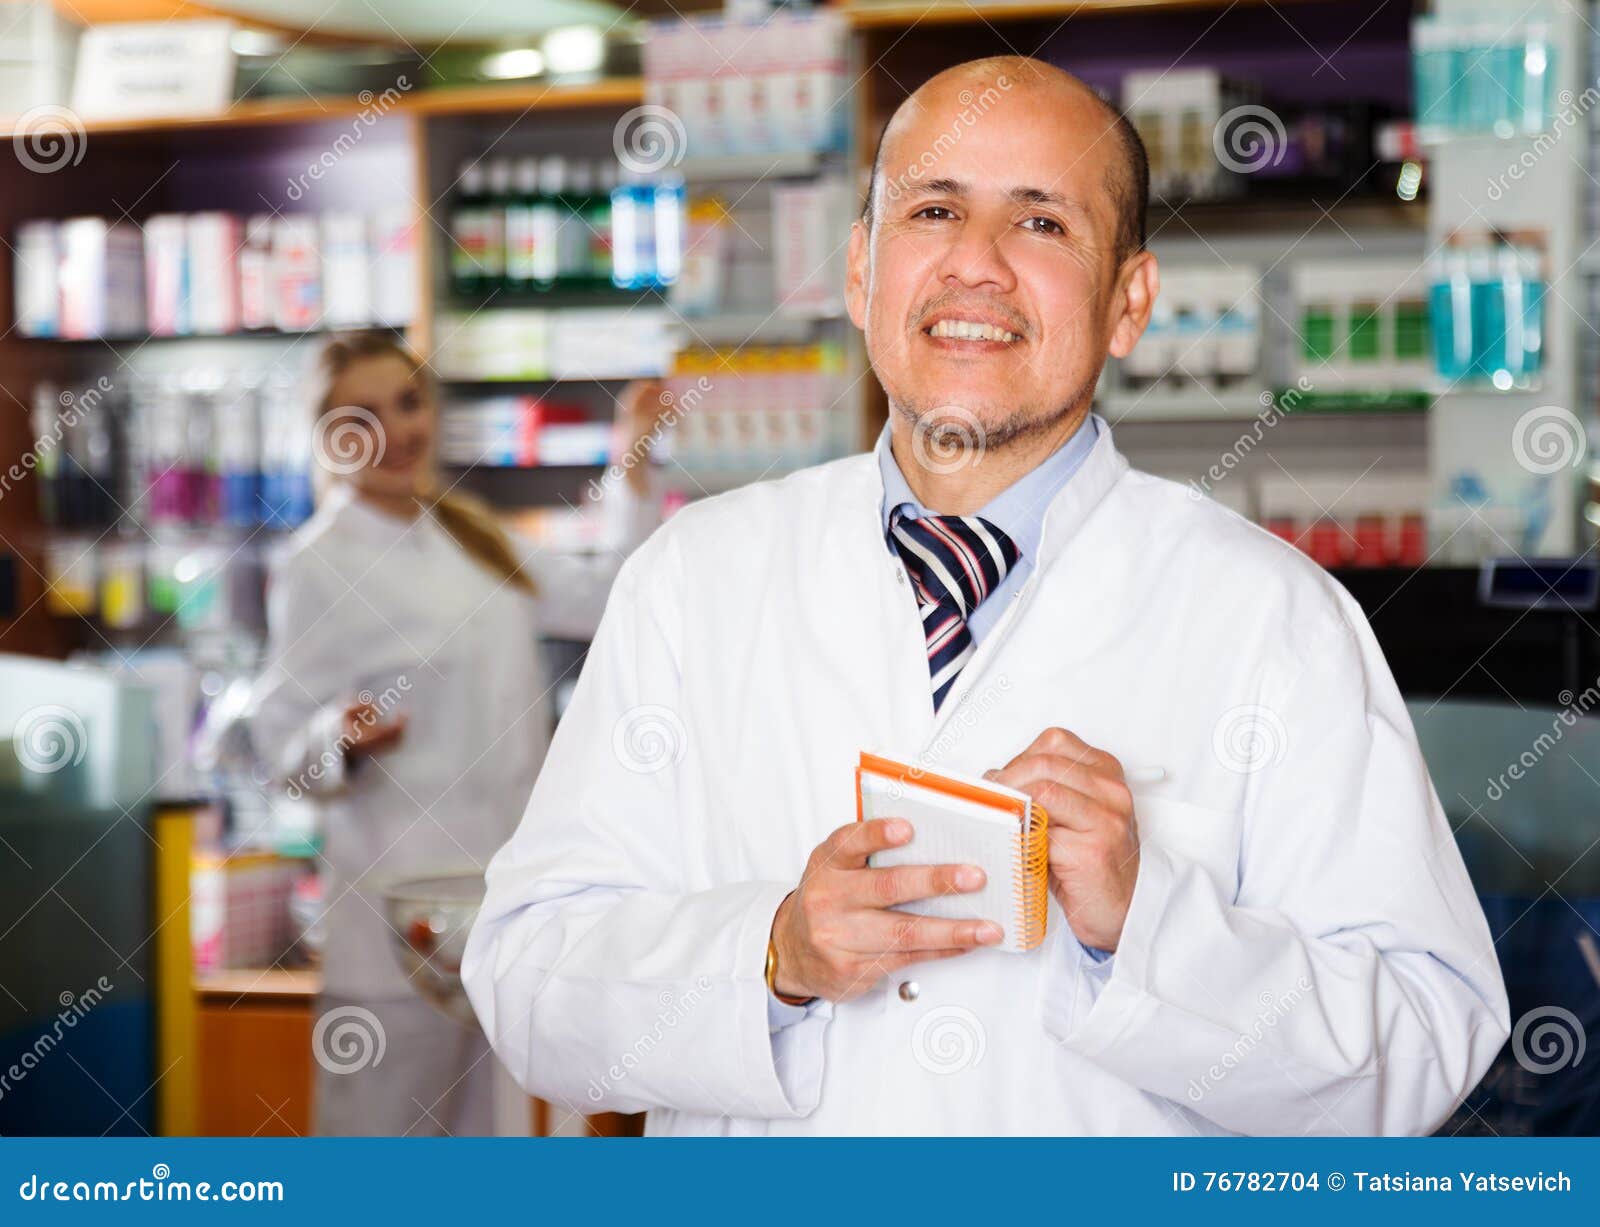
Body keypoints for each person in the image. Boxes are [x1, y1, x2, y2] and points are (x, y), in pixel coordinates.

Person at [462, 58, 1509, 1135]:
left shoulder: (1273, 617)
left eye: (1042, 225)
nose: (976, 265)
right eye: (933, 210)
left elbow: (1427, 1042)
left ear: (1128, 302)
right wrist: (774, 952)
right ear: (863, 271)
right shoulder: (694, 582)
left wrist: (1144, 929)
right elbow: (528, 986)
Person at [249, 332, 665, 1136]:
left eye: (407, 403)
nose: (396, 431)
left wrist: (632, 465)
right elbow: (276, 751)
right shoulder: (318, 565)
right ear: (329, 436)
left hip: (504, 905)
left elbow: (614, 600)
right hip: (393, 922)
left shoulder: (473, 532)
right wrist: (339, 735)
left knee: (496, 1145)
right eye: (362, 415)